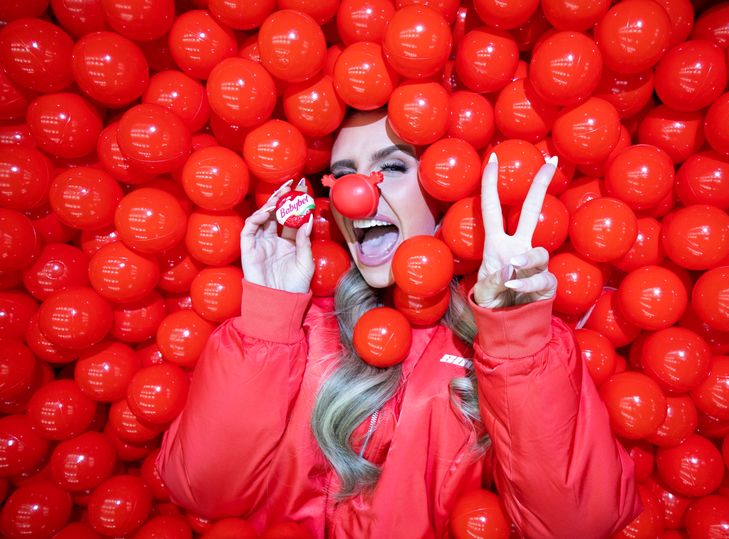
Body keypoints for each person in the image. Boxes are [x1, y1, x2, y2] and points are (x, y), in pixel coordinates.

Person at [155, 109, 643, 538]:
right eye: (340, 174)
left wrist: (516, 335)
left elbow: (578, 523)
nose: (355, 195)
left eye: (391, 167)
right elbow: (202, 491)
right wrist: (267, 314)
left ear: (447, 189)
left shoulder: (504, 347)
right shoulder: (298, 327)